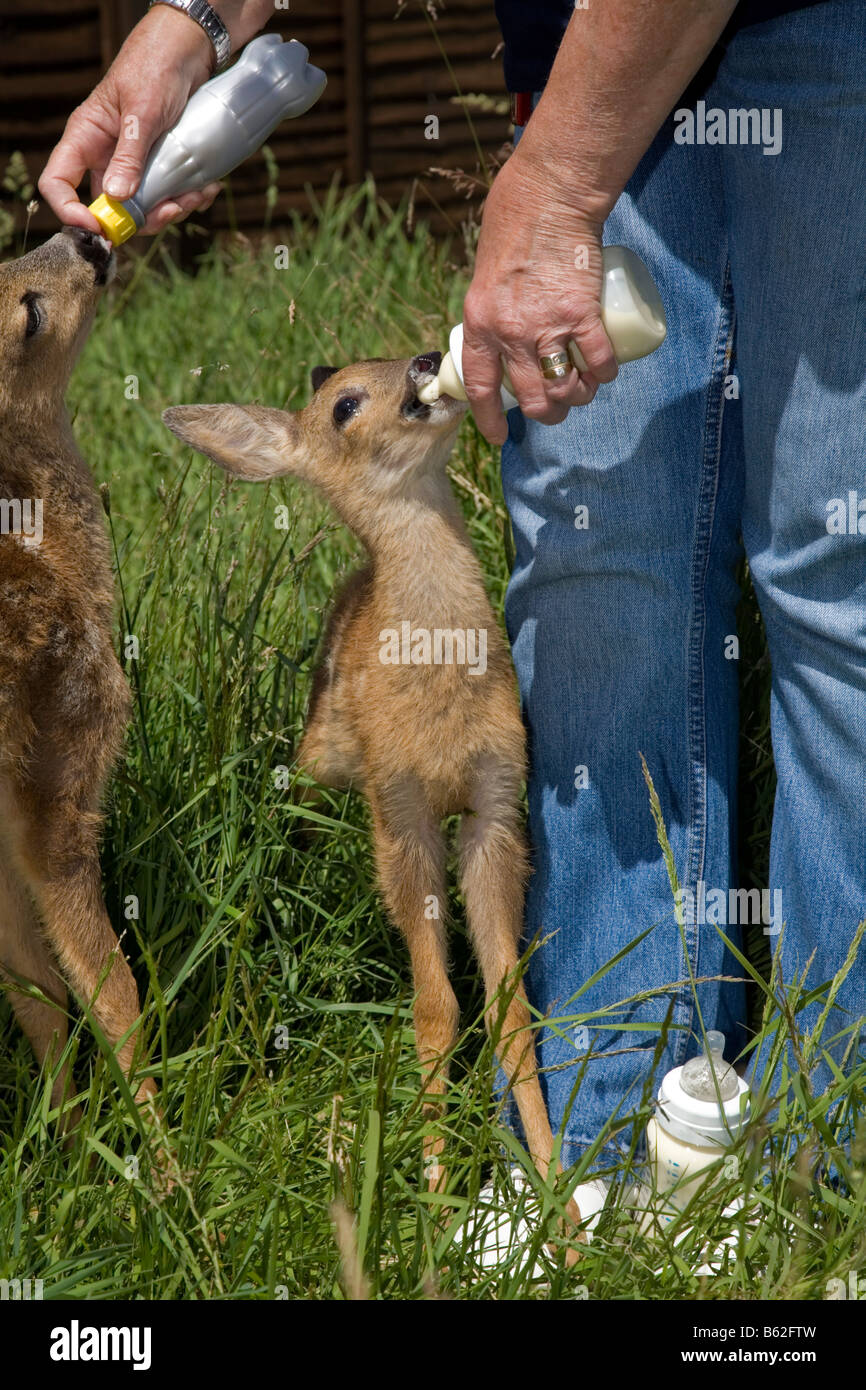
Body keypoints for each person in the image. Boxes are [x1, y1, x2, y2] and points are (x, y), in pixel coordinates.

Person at [40, 0, 866, 1199]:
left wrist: (563, 183)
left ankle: (828, 1160)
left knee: (830, 563)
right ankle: (603, 1142)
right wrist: (200, 24)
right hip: (574, 38)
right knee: (597, 571)